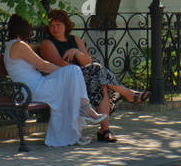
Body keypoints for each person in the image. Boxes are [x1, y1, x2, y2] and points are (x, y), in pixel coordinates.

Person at [39, 9, 147, 143]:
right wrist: (79, 66)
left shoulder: (75, 40)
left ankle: (106, 130)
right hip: (64, 81)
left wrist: (77, 52)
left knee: (100, 82)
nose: (55, 28)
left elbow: (87, 62)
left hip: (83, 78)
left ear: (66, 25)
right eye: (52, 25)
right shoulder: (47, 43)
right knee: (97, 72)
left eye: (58, 25)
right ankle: (127, 95)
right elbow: (60, 66)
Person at [2, 14, 106, 148]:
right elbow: (43, 66)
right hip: (31, 90)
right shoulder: (19, 46)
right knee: (73, 72)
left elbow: (32, 50)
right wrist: (65, 72)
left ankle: (77, 129)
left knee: (72, 77)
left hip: (32, 86)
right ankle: (84, 111)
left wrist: (67, 73)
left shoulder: (14, 45)